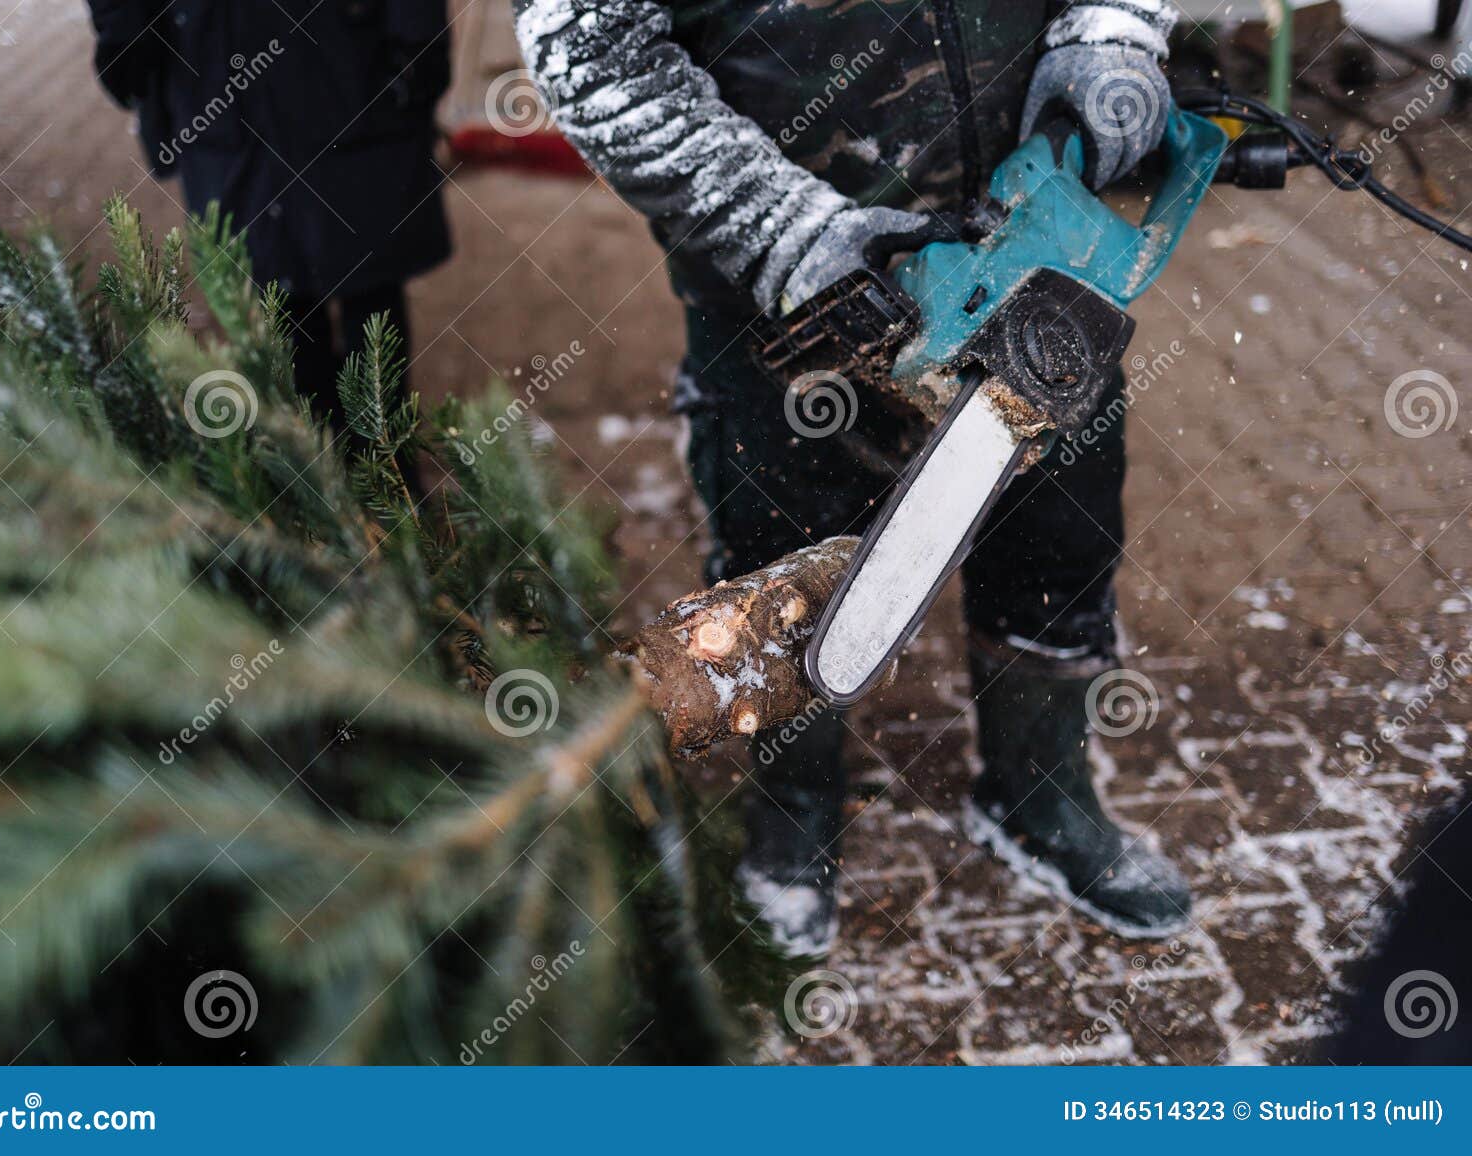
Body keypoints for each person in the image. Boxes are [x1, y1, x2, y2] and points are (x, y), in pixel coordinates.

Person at [516, 0, 1191, 954]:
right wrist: (783, 231)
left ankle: (1043, 794)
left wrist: (1113, 33)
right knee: (781, 551)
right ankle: (793, 812)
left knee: (1062, 535)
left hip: (1039, 235)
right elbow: (588, 48)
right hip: (793, 291)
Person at [84, 0, 451, 430]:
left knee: (367, 279)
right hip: (213, 72)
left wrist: (415, 42)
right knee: (276, 286)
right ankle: (319, 463)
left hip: (343, 56)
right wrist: (125, 32)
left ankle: (387, 462)